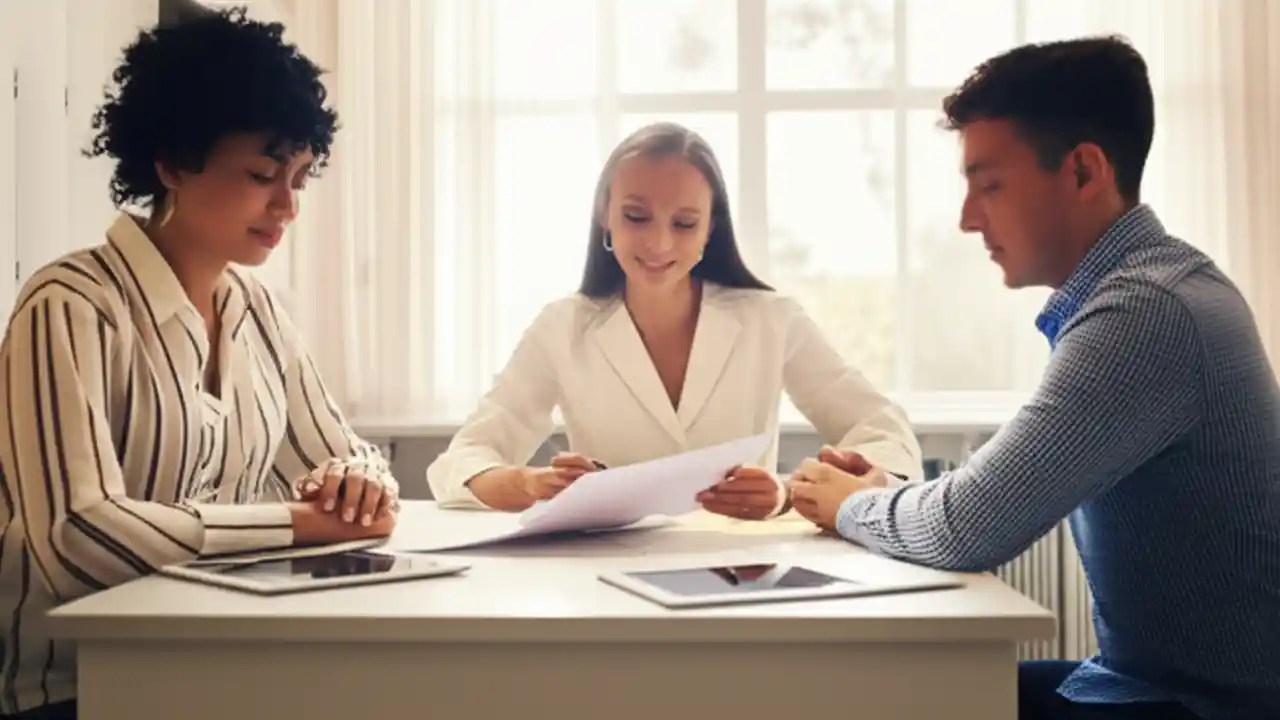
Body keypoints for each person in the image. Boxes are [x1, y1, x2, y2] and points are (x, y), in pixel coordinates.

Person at [788, 37, 1280, 720]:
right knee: (892, 686)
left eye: (989, 185)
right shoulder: (1157, 289)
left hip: (1196, 706)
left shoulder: (1145, 314)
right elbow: (985, 498)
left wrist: (847, 505)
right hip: (1148, 682)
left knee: (864, 696)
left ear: (1083, 171)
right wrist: (882, 493)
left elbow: (969, 527)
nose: (966, 218)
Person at [0, 10, 400, 718]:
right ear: (172, 162)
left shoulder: (260, 312)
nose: (287, 206)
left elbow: (351, 453)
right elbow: (77, 537)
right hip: (64, 689)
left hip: (209, 669)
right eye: (261, 175)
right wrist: (300, 523)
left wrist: (357, 484)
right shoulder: (69, 307)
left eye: (300, 179)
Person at [428, 122, 922, 516]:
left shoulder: (772, 320)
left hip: (742, 578)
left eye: (684, 223)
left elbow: (884, 433)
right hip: (604, 582)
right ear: (605, 213)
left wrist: (788, 493)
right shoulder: (561, 328)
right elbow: (461, 462)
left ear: (710, 227)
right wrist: (529, 483)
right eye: (636, 217)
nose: (659, 244)